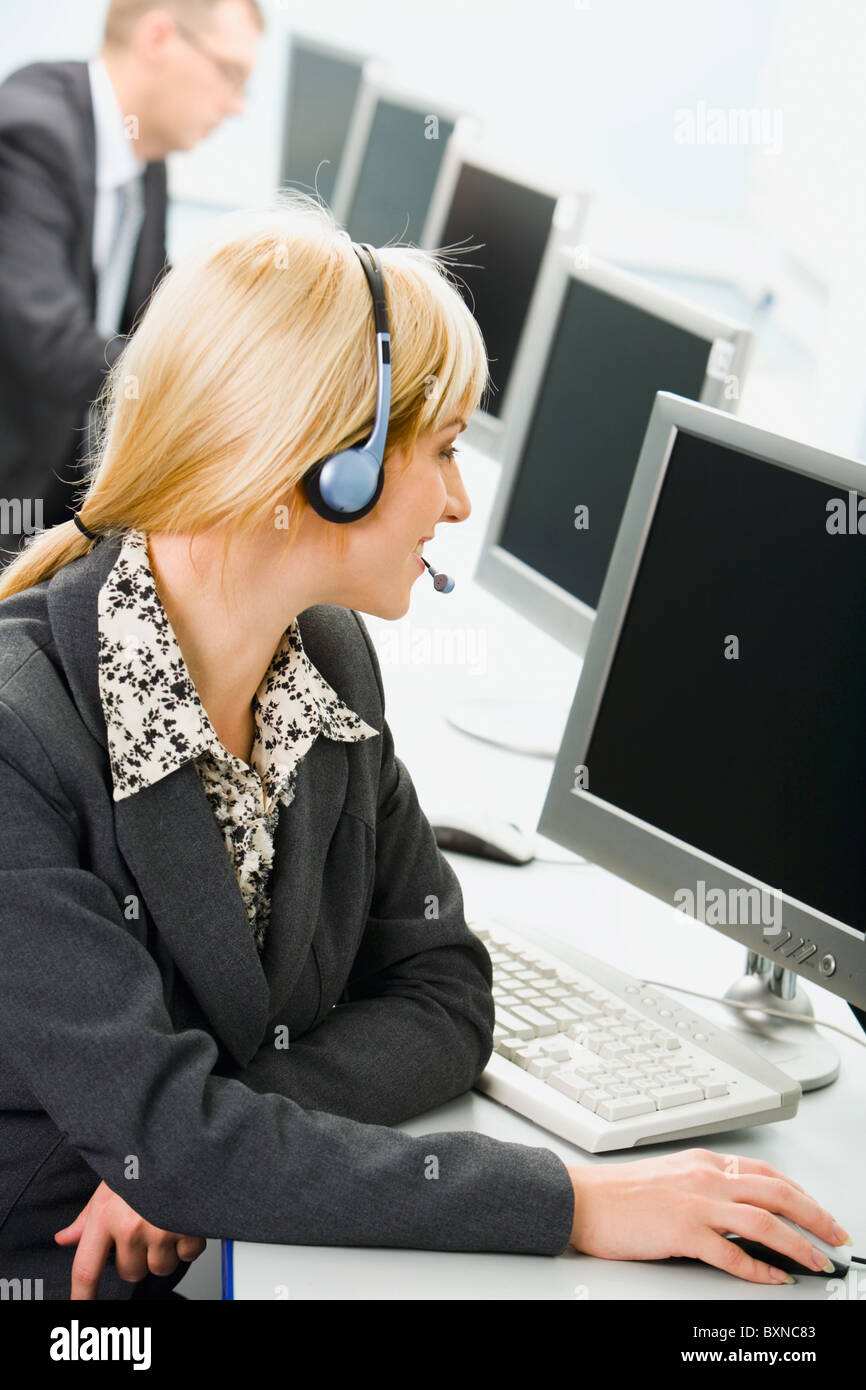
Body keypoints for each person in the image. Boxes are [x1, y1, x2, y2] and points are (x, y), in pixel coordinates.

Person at [0, 194, 848, 1301]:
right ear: (320, 463)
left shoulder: (326, 664)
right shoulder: (25, 738)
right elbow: (177, 1143)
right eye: (442, 450)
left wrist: (197, 1148)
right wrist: (572, 1204)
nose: (455, 499)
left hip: (203, 1254)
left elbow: (445, 990)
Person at [0, 0, 263, 562]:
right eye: (231, 74)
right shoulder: (27, 132)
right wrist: (222, 396)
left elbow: (152, 315)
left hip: (48, 501)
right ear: (159, 36)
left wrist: (247, 342)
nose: (237, 105)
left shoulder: (142, 158)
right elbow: (51, 348)